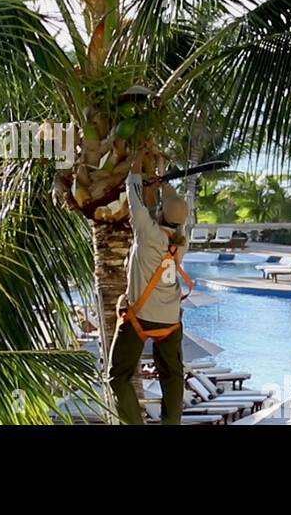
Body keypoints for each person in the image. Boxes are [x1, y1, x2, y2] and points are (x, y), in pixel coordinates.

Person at [107, 146, 192, 425]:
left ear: (161, 214)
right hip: (169, 322)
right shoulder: (182, 239)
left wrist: (135, 162)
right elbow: (168, 207)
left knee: (117, 376)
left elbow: (133, 196)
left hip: (141, 318)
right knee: (173, 375)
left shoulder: (147, 233)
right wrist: (160, 182)